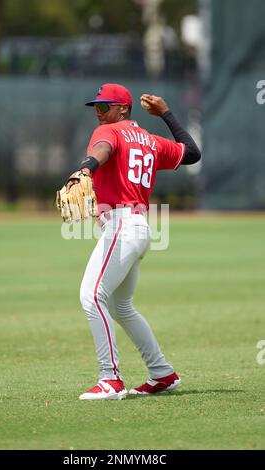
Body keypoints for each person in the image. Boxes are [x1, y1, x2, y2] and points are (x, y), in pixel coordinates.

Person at [66, 83, 201, 400]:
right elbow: (193, 153)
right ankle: (162, 373)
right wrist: (166, 114)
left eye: (105, 106)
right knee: (121, 306)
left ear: (123, 108)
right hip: (139, 226)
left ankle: (110, 379)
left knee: (91, 296)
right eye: (96, 107)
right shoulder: (151, 141)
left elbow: (102, 151)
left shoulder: (110, 132)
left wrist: (85, 168)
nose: (99, 113)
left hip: (122, 226)